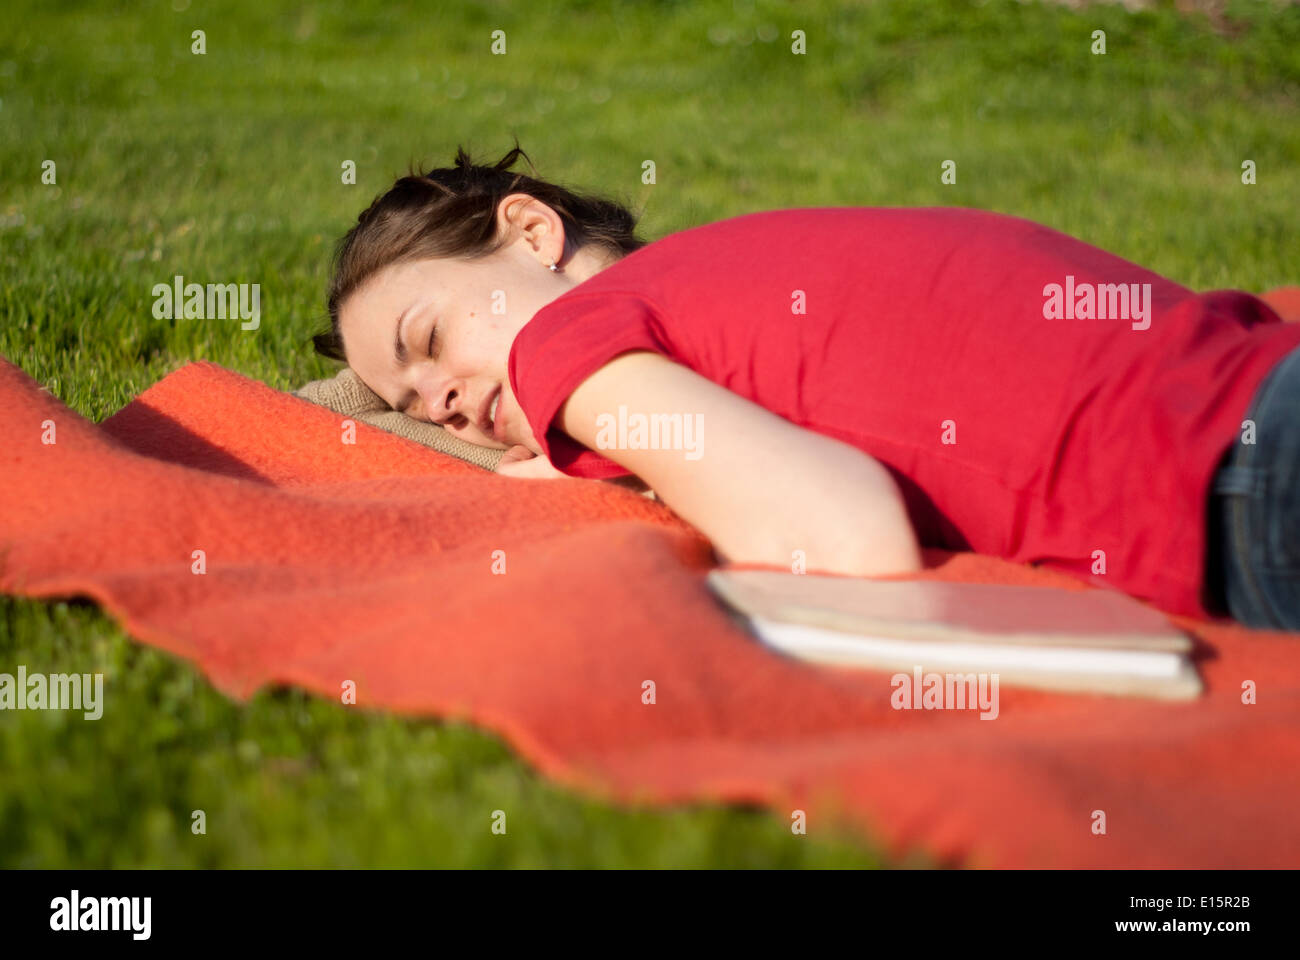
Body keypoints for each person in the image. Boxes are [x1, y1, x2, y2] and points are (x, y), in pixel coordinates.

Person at [311, 143, 1300, 630]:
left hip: (1238, 489)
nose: (438, 398)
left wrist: (605, 473)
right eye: (407, 404)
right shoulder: (715, 273)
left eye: (427, 339)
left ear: (532, 234)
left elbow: (841, 542)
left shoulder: (564, 340)